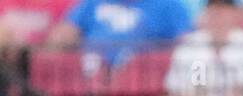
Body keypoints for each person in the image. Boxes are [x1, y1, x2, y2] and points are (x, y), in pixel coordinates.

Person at [48, 0, 191, 61]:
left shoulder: (170, 6)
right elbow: (60, 38)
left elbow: (187, 46)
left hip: (142, 86)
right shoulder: (92, 3)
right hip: (89, 82)